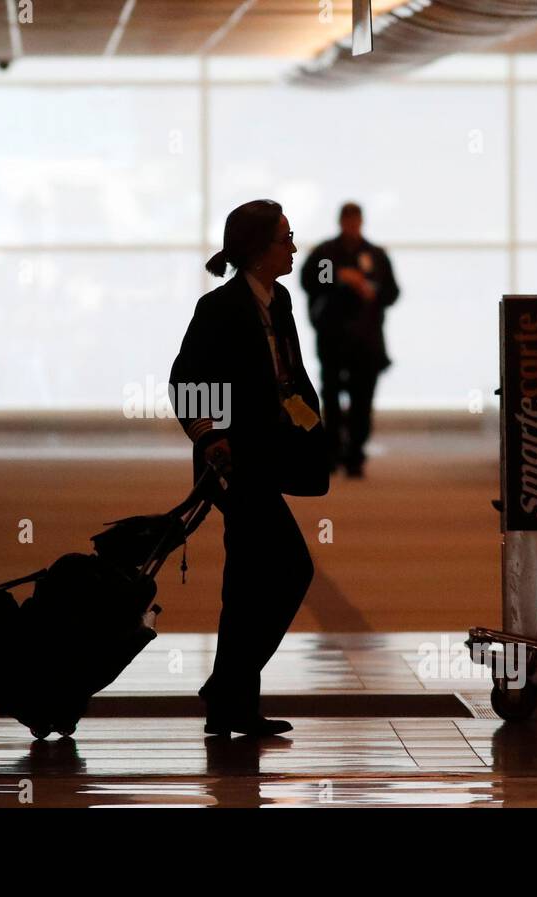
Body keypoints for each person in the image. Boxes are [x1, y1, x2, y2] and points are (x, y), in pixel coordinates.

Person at [169, 199, 328, 737]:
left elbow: (289, 376)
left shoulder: (277, 300)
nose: (294, 246)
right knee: (290, 568)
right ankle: (228, 687)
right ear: (260, 249)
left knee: (247, 584)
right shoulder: (219, 309)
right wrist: (211, 436)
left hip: (269, 457)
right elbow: (188, 380)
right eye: (286, 237)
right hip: (235, 465)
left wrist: (312, 429)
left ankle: (231, 703)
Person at [300, 202, 399, 478]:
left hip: (366, 340)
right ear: (341, 222)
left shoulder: (375, 255)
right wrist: (340, 277)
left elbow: (391, 293)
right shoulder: (326, 253)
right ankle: (331, 452)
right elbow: (310, 281)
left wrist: (370, 291)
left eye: (356, 222)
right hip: (332, 337)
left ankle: (355, 453)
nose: (352, 227)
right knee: (330, 395)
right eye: (348, 221)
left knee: (362, 397)